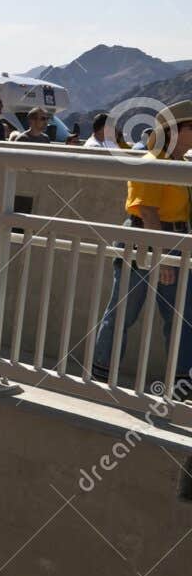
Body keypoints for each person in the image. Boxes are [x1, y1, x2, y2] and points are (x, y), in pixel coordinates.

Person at [91, 102, 192, 385]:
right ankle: (101, 376)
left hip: (175, 241)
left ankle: (181, 384)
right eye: (191, 127)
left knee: (182, 317)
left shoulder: (179, 164)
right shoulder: (151, 159)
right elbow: (147, 210)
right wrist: (160, 255)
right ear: (174, 131)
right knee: (124, 311)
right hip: (146, 241)